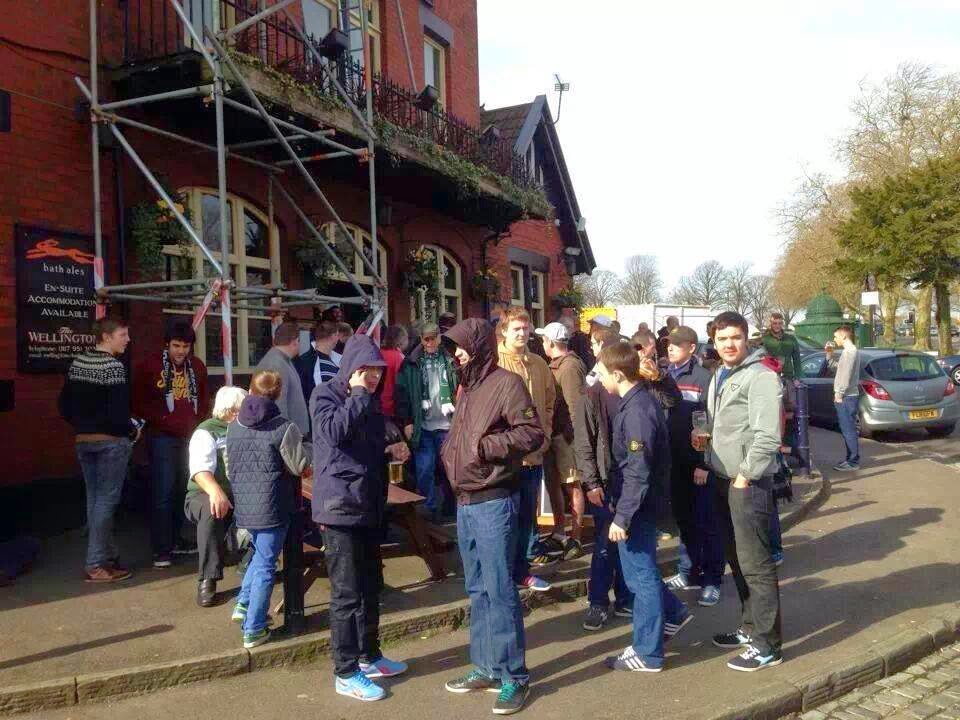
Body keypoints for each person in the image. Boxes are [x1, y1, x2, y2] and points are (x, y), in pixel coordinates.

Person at [440, 318, 545, 715]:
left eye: (461, 347)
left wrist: (486, 448)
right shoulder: (468, 385)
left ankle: (514, 677)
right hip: (466, 500)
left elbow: (532, 433)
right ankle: (486, 667)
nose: (456, 354)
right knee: (478, 589)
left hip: (494, 499)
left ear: (479, 346)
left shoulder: (507, 383)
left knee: (500, 589)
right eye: (453, 349)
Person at [311, 334, 411, 702]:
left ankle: (370, 656)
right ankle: (345, 671)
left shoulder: (368, 403)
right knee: (347, 593)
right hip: (339, 509)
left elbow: (363, 449)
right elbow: (334, 434)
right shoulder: (326, 395)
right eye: (367, 371)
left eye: (377, 372)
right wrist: (356, 396)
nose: (372, 378)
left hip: (368, 504)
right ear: (351, 368)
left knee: (371, 587)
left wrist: (389, 450)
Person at [594, 341, 693, 673]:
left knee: (641, 577)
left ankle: (647, 653)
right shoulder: (634, 402)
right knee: (642, 572)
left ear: (618, 374)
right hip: (635, 503)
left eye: (601, 372)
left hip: (637, 507)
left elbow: (639, 468)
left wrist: (622, 516)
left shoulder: (637, 410)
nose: (598, 378)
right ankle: (675, 615)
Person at [697, 311, 784, 671]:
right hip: (721, 479)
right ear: (714, 342)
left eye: (735, 337)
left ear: (746, 338)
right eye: (722, 339)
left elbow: (768, 437)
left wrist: (745, 476)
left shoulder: (761, 376)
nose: (729, 344)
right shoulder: (719, 374)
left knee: (756, 564)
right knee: (737, 561)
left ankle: (768, 646)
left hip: (746, 483)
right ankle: (750, 629)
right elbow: (721, 426)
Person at [227, 371, 309, 650]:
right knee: (265, 565)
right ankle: (254, 628)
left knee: (259, 557)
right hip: (275, 504)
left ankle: (243, 603)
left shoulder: (233, 424)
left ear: (250, 388)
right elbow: (298, 466)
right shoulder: (284, 427)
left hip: (245, 504)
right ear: (277, 394)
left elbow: (229, 465)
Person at [59, 317, 142, 583]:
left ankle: (107, 555)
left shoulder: (78, 363)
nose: (127, 339)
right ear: (106, 337)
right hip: (111, 442)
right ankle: (96, 564)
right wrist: (131, 431)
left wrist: (82, 425)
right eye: (123, 334)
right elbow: (119, 413)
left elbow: (64, 405)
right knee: (106, 501)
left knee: (94, 500)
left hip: (83, 440)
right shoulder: (113, 367)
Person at [134, 320, 210, 569]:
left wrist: (199, 425)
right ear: (167, 344)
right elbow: (138, 402)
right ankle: (161, 550)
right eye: (176, 345)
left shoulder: (197, 367)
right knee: (163, 492)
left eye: (185, 346)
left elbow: (205, 398)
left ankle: (175, 540)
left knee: (182, 490)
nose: (180, 351)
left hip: (189, 437)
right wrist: (164, 420)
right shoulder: (150, 366)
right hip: (162, 438)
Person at [574, 327, 633, 631]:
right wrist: (591, 482)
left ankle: (624, 598)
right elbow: (583, 442)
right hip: (604, 482)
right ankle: (598, 601)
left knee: (624, 540)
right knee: (604, 543)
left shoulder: (631, 392)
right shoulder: (592, 393)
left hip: (628, 480)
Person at [661, 327, 722, 607]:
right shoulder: (665, 374)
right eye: (669, 344)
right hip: (672, 461)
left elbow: (708, 422)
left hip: (696, 463)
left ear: (691, 349)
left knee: (707, 523)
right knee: (684, 521)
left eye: (677, 344)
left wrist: (704, 464)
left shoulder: (703, 378)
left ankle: (712, 580)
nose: (671, 348)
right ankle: (688, 571)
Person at [497, 306, 556, 592]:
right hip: (506, 459)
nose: (522, 333)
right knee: (503, 517)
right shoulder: (495, 363)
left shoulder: (540, 364)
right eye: (516, 329)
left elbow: (549, 402)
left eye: (525, 328)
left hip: (534, 455)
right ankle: (502, 575)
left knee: (527, 517)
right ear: (504, 331)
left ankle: (522, 571)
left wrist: (544, 435)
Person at [185, 385, 247, 607]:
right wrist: (216, 491)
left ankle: (249, 565)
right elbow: (200, 471)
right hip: (204, 491)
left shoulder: (247, 428)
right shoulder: (206, 431)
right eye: (242, 408)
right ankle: (208, 578)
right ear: (230, 410)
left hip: (240, 492)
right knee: (212, 512)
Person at [396, 322, 458, 518]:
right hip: (423, 425)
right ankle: (429, 510)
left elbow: (461, 387)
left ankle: (452, 506)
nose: (430, 342)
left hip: (448, 423)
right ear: (421, 340)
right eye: (426, 339)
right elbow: (402, 393)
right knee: (424, 469)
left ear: (440, 337)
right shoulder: (410, 363)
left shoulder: (450, 360)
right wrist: (407, 421)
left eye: (434, 338)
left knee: (451, 469)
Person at [536, 321, 587, 560]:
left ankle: (575, 537)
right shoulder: (554, 365)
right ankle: (558, 532)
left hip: (566, 438)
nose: (542, 343)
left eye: (544, 340)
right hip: (553, 435)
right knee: (554, 484)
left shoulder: (569, 367)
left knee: (571, 484)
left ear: (551, 342)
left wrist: (575, 439)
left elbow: (575, 406)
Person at [254, 321, 309, 439]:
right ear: (295, 341)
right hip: (286, 438)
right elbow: (278, 404)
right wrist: (285, 436)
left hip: (292, 435)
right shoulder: (276, 364)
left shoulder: (283, 361)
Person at [827, 325, 861, 472]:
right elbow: (838, 368)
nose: (835, 339)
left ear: (844, 336)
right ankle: (850, 459)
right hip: (849, 396)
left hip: (846, 397)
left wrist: (839, 394)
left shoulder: (849, 352)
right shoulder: (850, 352)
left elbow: (845, 375)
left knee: (848, 430)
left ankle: (853, 462)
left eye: (836, 337)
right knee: (848, 429)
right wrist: (829, 355)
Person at [294, 321, 339, 408]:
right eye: (337, 335)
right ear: (334, 336)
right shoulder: (307, 362)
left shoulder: (303, 360)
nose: (338, 339)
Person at [379, 325, 408, 420]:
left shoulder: (377, 353)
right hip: (392, 409)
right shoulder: (399, 358)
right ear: (401, 340)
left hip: (377, 406)